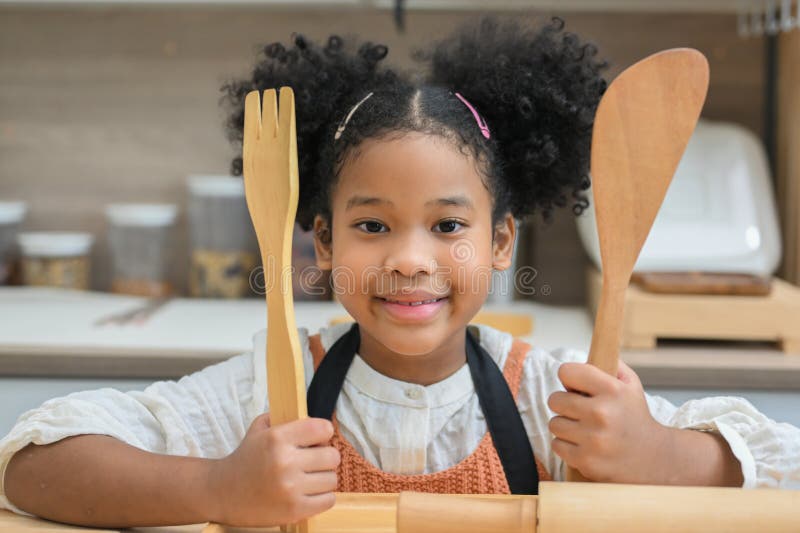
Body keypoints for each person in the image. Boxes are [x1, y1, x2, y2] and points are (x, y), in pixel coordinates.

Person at [2, 15, 798, 530]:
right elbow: (32, 462)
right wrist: (214, 487)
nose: (410, 258)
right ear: (320, 242)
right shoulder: (268, 392)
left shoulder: (555, 400)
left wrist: (664, 457)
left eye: (449, 225)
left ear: (500, 242)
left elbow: (784, 465)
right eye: (372, 225)